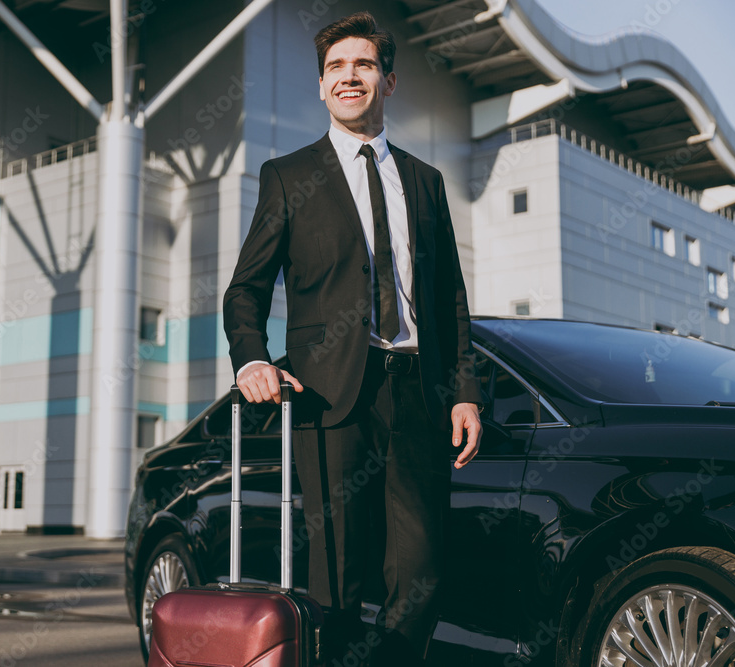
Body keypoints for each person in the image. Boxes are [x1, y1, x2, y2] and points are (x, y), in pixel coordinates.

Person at [222, 11, 482, 665]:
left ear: (388, 81)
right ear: (320, 86)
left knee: (422, 575)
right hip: (328, 397)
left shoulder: (425, 181)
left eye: (363, 64)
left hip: (417, 395)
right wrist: (252, 357)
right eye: (336, 66)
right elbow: (245, 290)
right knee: (337, 578)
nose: (350, 76)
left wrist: (464, 392)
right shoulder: (288, 177)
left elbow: (450, 299)